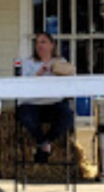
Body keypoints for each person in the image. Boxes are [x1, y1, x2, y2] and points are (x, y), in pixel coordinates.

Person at [17, 32, 76, 163]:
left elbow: (71, 73)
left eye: (43, 42)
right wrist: (37, 74)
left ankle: (45, 142)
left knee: (67, 117)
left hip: (54, 103)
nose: (39, 45)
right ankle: (44, 143)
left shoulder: (60, 62)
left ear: (52, 45)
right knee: (24, 115)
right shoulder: (28, 63)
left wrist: (55, 69)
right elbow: (21, 84)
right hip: (32, 104)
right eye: (37, 42)